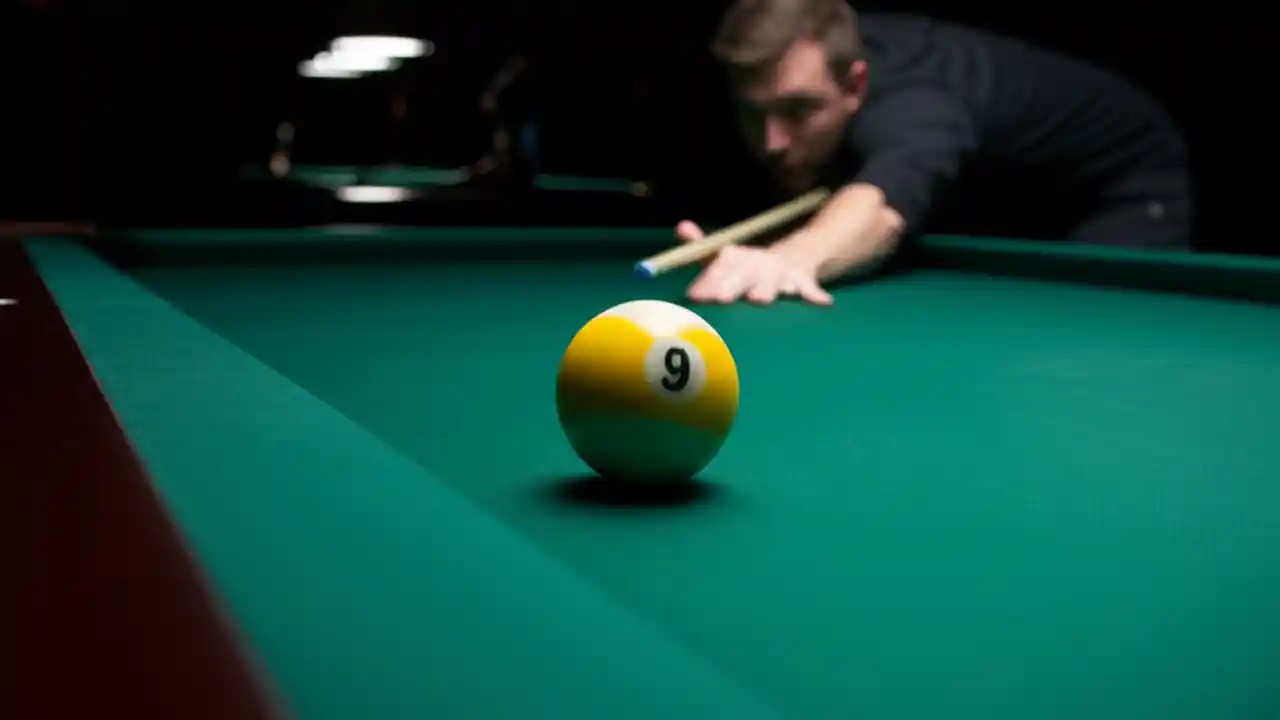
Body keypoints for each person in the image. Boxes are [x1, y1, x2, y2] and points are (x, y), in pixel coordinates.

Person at [677, 0, 1194, 305]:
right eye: (753, 112)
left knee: (1090, 343)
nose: (772, 141)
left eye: (798, 111)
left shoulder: (915, 101)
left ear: (856, 85)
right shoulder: (827, 61)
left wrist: (793, 257)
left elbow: (882, 203)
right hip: (1023, 185)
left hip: (1126, 183)